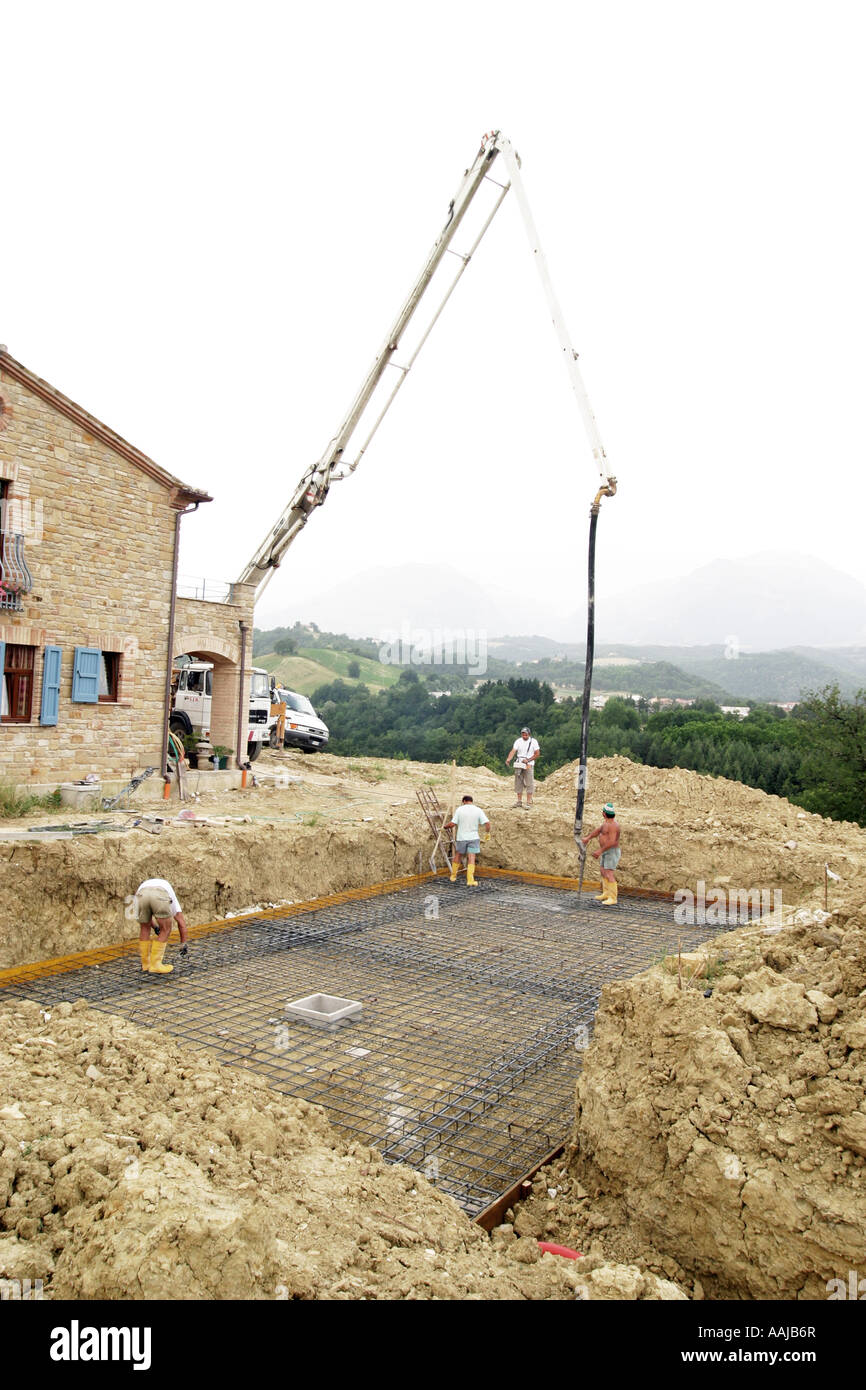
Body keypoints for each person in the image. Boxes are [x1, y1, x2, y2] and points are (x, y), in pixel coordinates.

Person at [134, 877, 190, 974]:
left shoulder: (145, 885)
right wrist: (183, 944)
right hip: (159, 894)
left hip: (140, 895)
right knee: (166, 929)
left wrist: (155, 927)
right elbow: (180, 922)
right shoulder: (169, 892)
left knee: (144, 928)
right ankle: (155, 965)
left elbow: (147, 919)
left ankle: (145, 964)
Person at [446, 795, 490, 887]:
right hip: (474, 838)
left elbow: (453, 823)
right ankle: (470, 880)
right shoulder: (478, 810)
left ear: (464, 801)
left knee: (458, 855)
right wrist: (487, 833)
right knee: (472, 857)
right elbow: (487, 823)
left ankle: (453, 876)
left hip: (462, 838)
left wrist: (445, 827)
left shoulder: (460, 810)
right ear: (471, 801)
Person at [582, 804, 621, 905]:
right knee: (603, 871)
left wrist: (600, 851)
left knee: (609, 873)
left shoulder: (613, 825)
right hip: (605, 851)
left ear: (604, 813)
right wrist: (588, 837)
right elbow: (598, 831)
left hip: (611, 851)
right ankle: (606, 893)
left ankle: (613, 898)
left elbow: (612, 841)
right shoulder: (606, 823)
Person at [505, 726, 540, 808]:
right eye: (523, 734)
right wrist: (508, 759)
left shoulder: (533, 742)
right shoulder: (518, 741)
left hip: (529, 764)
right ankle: (519, 801)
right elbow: (513, 750)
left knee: (529, 782)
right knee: (518, 782)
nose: (524, 736)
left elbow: (537, 753)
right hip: (519, 763)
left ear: (529, 734)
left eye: (526, 735)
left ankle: (529, 802)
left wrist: (528, 759)